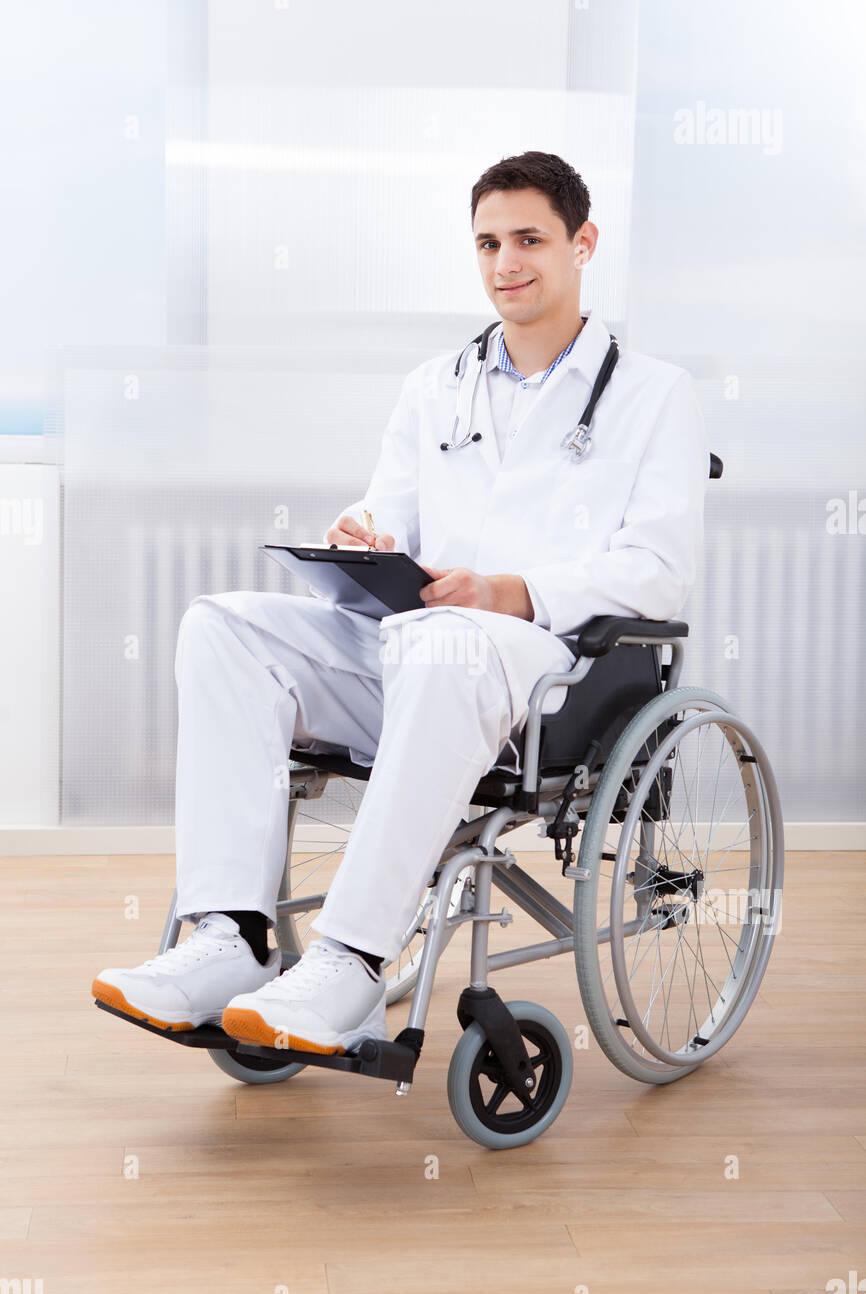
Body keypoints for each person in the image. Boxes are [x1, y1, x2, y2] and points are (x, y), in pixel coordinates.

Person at [92, 150, 709, 1057]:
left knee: (449, 644)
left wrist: (516, 591)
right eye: (489, 242)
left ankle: (349, 959)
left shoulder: (656, 395)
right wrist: (368, 539)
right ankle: (229, 937)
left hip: (549, 669)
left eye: (530, 239)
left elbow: (659, 569)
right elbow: (392, 511)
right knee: (222, 626)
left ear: (583, 243)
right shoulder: (436, 387)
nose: (507, 262)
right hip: (414, 649)